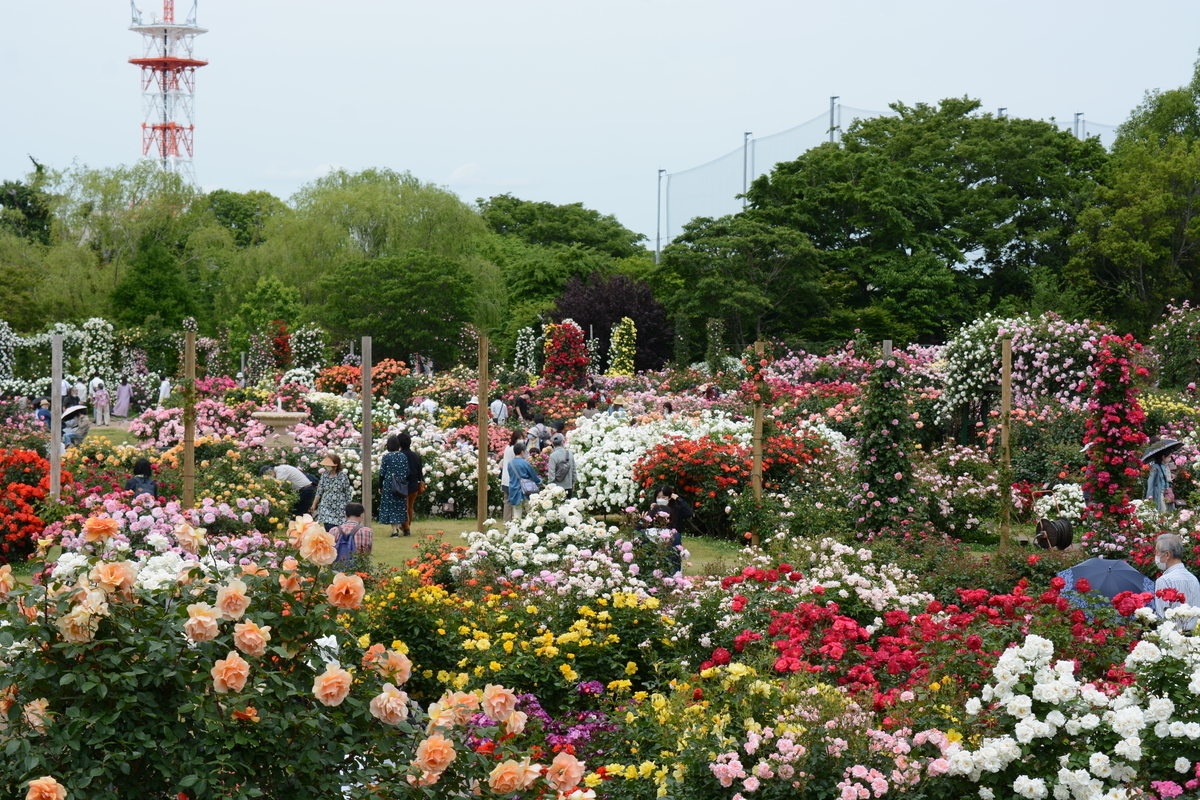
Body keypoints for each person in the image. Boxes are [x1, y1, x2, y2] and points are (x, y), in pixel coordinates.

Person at [642, 484, 693, 575]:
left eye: (664, 497)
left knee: (672, 558)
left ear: (669, 498)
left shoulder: (676, 510)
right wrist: (651, 511)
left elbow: (689, 513)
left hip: (672, 540)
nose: (661, 499)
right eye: (658, 497)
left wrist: (678, 499)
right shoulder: (654, 509)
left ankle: (674, 573)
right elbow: (647, 526)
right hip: (655, 539)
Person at [1154, 533, 1200, 632]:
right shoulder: (1193, 579)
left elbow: (1161, 617)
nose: (1156, 556)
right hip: (1192, 639)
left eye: (1157, 552)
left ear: (1167, 555)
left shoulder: (1164, 580)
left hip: (1171, 637)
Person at [379, 434, 410, 537]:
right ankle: (396, 528)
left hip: (389, 485)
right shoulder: (403, 456)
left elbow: (382, 473)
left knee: (391, 507)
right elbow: (407, 471)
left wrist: (380, 486)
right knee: (398, 506)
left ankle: (394, 531)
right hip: (401, 485)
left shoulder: (387, 457)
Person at [313, 452, 353, 531]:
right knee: (329, 527)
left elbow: (348, 493)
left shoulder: (343, 477)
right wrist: (314, 504)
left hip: (340, 507)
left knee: (339, 529)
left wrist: (349, 508)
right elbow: (319, 491)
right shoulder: (324, 475)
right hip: (326, 505)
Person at [506, 442, 541, 521]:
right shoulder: (525, 463)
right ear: (522, 452)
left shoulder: (510, 464)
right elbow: (534, 476)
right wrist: (540, 482)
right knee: (530, 513)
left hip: (514, 491)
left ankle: (515, 530)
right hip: (526, 491)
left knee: (516, 514)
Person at [332, 502, 372, 568]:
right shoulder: (367, 531)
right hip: (359, 570)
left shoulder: (334, 530)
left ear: (345, 515)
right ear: (362, 515)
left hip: (336, 570)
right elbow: (368, 553)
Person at [399, 433, 424, 536]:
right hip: (414, 485)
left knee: (403, 507)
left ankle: (406, 528)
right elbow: (419, 471)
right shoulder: (416, 455)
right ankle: (407, 525)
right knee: (410, 507)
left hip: (402, 485)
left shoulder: (399, 455)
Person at [499, 429, 521, 522]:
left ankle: (507, 520)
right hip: (512, 478)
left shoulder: (508, 447)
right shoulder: (514, 449)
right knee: (513, 501)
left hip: (505, 478)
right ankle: (513, 520)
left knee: (507, 501)